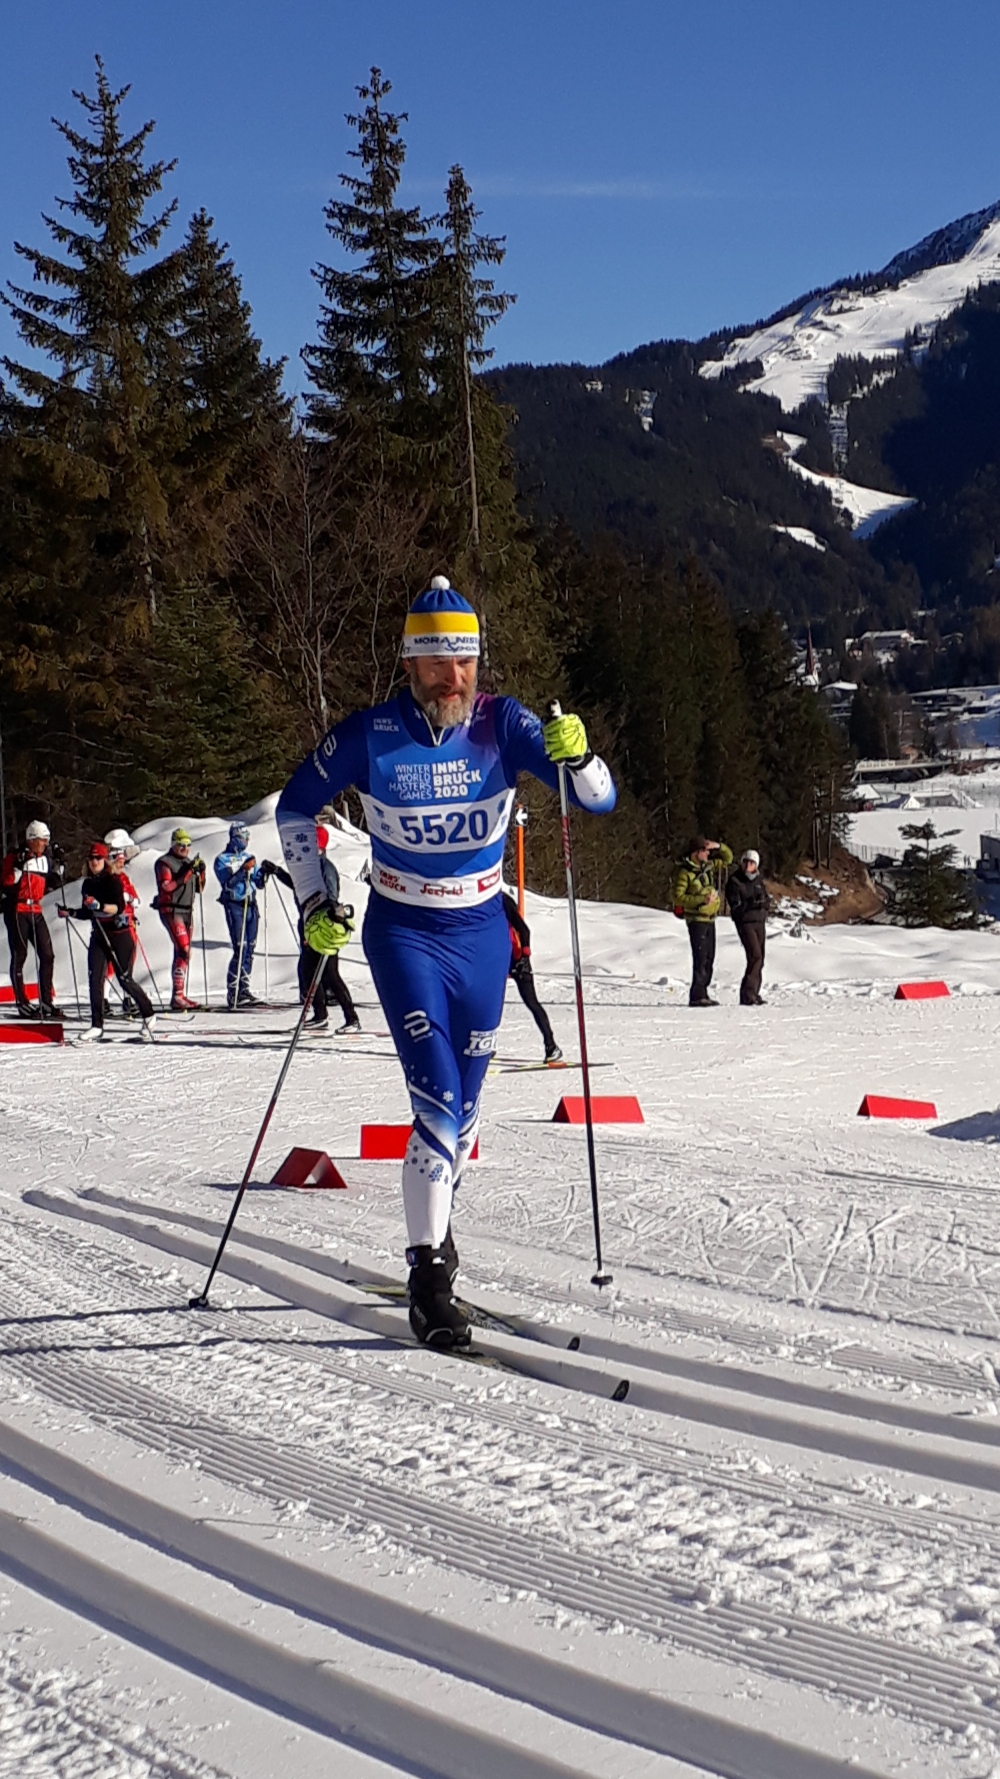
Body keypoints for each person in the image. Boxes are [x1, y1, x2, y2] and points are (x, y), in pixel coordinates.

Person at [276, 576, 616, 1349]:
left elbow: (596, 798)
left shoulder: (504, 724)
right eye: (435, 662)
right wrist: (313, 898)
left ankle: (438, 1231)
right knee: (434, 1104)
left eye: (463, 659)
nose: (451, 677)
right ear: (409, 665)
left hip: (483, 935)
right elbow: (296, 806)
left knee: (463, 1113)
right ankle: (429, 1279)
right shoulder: (371, 733)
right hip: (404, 933)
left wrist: (581, 752)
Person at [267, 824, 361, 1034]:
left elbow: (332, 897)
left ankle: (351, 1018)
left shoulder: (325, 867)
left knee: (330, 974)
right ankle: (320, 1015)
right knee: (309, 971)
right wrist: (278, 872)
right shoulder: (310, 869)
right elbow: (298, 885)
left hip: (325, 928)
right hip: (310, 925)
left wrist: (328, 917)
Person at [59, 842, 156, 1042]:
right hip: (99, 934)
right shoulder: (88, 884)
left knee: (124, 978)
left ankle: (148, 1014)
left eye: (98, 858)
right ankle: (96, 1025)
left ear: (104, 861)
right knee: (95, 978)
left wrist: (99, 905)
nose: (94, 862)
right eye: (91, 859)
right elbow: (88, 912)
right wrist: (70, 912)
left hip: (119, 933)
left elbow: (119, 906)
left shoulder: (113, 881)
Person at [1, 819, 62, 1017]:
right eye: (42, 840)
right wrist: (19, 866)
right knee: (20, 955)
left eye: (46, 840)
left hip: (36, 909)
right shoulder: (16, 855)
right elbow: (6, 881)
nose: (45, 843)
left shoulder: (44, 858)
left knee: (47, 955)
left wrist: (59, 866)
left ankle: (46, 1001)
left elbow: (54, 881)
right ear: (32, 839)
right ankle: (22, 1002)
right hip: (17, 909)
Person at [501, 891, 561, 1062]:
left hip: (518, 959)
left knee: (531, 1002)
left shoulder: (502, 902)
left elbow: (524, 930)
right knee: (489, 1004)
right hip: (499, 961)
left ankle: (551, 1046)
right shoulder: (482, 905)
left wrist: (525, 954)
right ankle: (486, 1046)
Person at [673, 836, 733, 1007]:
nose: (708, 853)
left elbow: (728, 858)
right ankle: (697, 995)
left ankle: (703, 991)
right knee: (700, 957)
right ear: (696, 853)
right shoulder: (685, 873)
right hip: (696, 919)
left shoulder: (708, 867)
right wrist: (701, 899)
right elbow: (678, 897)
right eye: (705, 850)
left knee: (709, 957)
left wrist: (718, 846)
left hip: (710, 919)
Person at [214, 821, 267, 1010]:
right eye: (243, 837)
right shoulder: (222, 859)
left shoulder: (248, 857)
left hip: (251, 904)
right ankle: (233, 991)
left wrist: (263, 874)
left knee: (250, 948)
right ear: (234, 837)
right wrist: (243, 870)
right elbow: (227, 883)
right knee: (240, 947)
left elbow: (258, 883)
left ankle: (244, 988)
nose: (246, 840)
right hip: (235, 904)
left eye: (248, 837)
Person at [153, 828, 205, 1011]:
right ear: (174, 844)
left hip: (187, 911)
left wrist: (201, 872)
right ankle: (177, 996)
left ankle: (179, 995)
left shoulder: (188, 863)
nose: (185, 849)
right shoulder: (164, 863)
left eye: (188, 845)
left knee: (182, 953)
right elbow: (167, 886)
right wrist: (186, 875)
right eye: (181, 845)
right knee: (184, 950)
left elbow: (199, 888)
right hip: (172, 910)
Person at [726, 848, 771, 1007]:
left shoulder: (758, 880)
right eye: (745, 861)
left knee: (760, 959)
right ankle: (747, 994)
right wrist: (751, 903)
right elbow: (735, 905)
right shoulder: (735, 881)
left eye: (751, 863)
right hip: (745, 923)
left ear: (756, 865)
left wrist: (764, 904)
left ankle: (754, 992)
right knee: (755, 956)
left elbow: (766, 899)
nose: (748, 865)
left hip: (759, 922)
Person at [105, 827, 142, 1016]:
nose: (123, 862)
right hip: (114, 923)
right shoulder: (109, 878)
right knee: (112, 962)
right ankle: (104, 999)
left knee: (128, 961)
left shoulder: (124, 877)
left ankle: (128, 998)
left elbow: (136, 899)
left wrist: (130, 898)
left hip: (129, 922)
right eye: (119, 858)